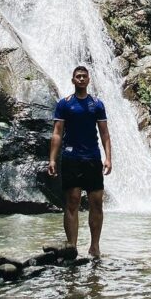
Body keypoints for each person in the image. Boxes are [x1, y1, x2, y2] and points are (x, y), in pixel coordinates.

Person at [48, 65, 112, 257]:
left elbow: (105, 134)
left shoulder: (97, 105)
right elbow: (57, 133)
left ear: (89, 80)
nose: (81, 79)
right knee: (72, 201)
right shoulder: (64, 104)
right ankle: (72, 246)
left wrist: (108, 158)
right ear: (73, 80)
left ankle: (95, 247)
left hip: (92, 158)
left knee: (96, 202)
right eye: (78, 76)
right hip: (71, 158)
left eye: (84, 76)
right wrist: (52, 159)